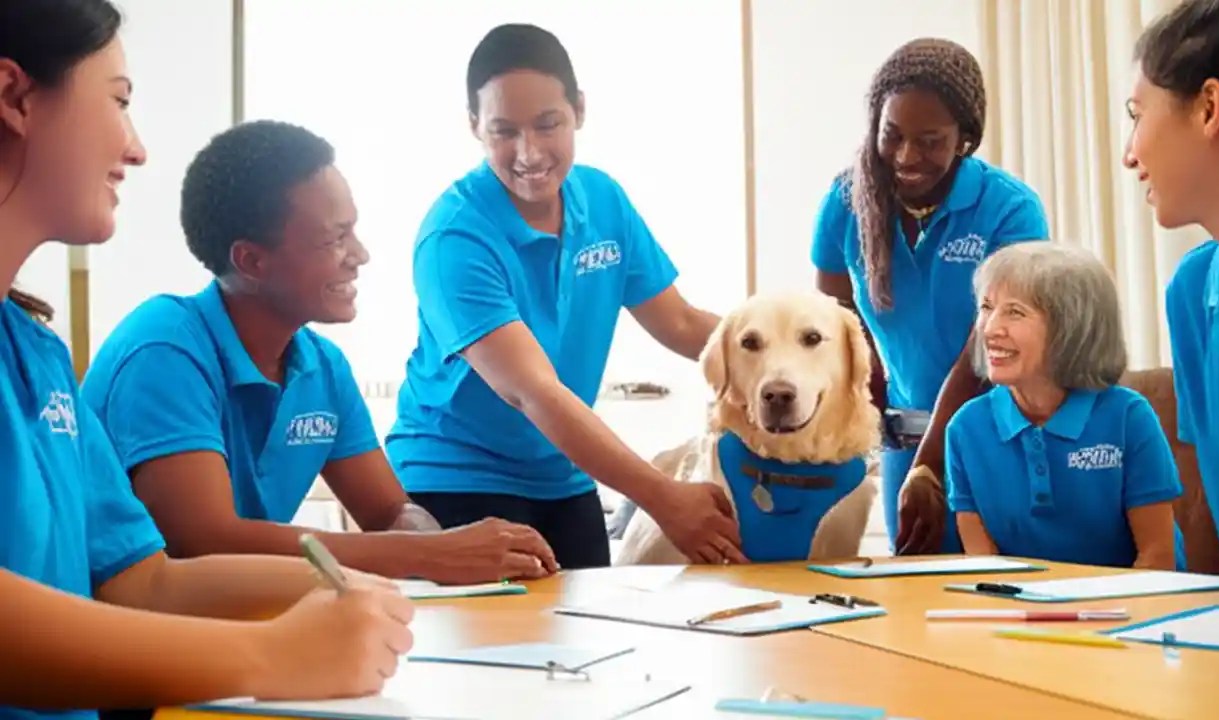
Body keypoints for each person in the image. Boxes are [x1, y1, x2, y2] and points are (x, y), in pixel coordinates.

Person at [0, 1, 414, 715]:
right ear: (15, 97)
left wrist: (350, 589)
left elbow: (144, 581)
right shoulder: (164, 345)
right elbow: (199, 539)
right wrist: (275, 654)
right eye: (119, 101)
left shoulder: (34, 352)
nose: (135, 149)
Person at [81, 119, 558, 584]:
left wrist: (446, 553)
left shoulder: (321, 366)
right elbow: (204, 541)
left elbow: (389, 512)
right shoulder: (163, 351)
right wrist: (430, 553)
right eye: (335, 238)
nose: (360, 254)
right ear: (251, 260)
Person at [385, 23, 745, 569]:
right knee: (499, 650)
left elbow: (680, 323)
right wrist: (664, 498)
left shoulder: (602, 201)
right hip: (456, 477)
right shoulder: (454, 237)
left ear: (578, 109)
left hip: (563, 475)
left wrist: (778, 361)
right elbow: (534, 393)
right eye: (504, 131)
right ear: (475, 127)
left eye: (547, 124)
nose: (529, 152)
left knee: (590, 641)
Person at [811, 38, 1050, 554]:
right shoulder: (845, 201)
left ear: (965, 138)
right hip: (906, 440)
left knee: (995, 601)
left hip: (995, 440)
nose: (905, 156)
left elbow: (988, 344)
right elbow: (834, 311)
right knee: (915, 606)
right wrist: (867, 384)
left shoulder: (1009, 211)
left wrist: (931, 462)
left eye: (930, 140)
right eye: (891, 135)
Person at [1124, 0, 1219, 580]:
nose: (1129, 153)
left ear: (1209, 107)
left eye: (1137, 114)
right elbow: (1216, 500)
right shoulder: (1193, 295)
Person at [946, 242, 1183, 570]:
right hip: (1025, 616)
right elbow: (986, 570)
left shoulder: (1128, 417)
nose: (989, 328)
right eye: (987, 307)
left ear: (1071, 327)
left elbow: (1158, 558)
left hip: (1137, 610)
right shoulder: (965, 429)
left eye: (1014, 311)